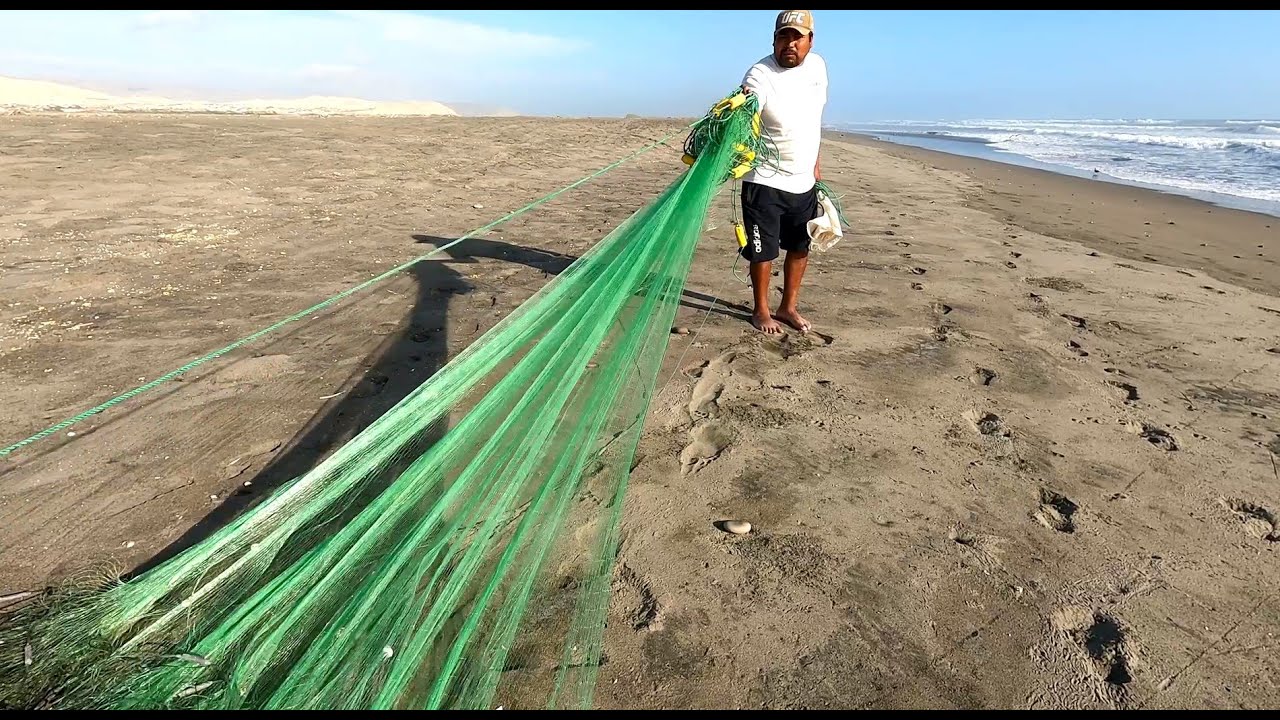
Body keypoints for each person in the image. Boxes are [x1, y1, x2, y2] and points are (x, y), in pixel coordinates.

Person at [737, 10, 828, 335]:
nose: (790, 43)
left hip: (804, 181)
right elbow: (749, 106)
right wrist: (744, 103)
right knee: (763, 251)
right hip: (764, 182)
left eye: (797, 37)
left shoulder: (818, 68)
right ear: (774, 40)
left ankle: (788, 307)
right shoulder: (759, 75)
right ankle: (761, 311)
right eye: (783, 36)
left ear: (810, 41)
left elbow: (814, 117)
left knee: (800, 246)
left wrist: (815, 161)